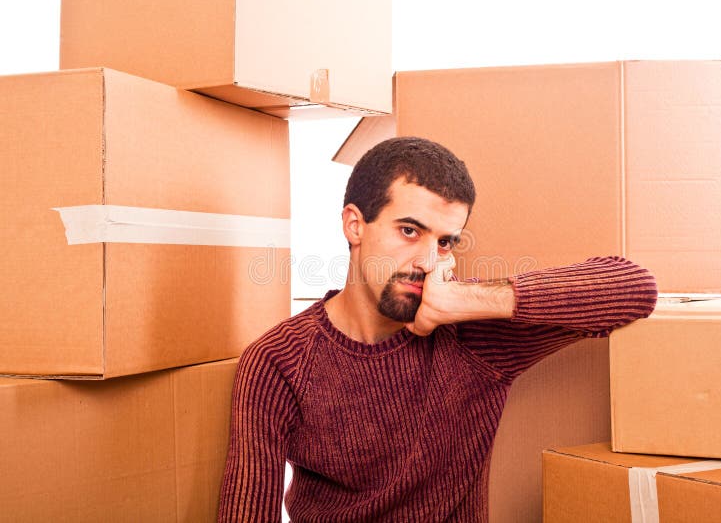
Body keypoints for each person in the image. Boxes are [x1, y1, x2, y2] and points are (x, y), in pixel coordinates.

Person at [218, 136, 658, 522]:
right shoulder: (278, 361)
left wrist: (466, 300)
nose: (429, 262)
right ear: (355, 225)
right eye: (410, 231)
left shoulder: (472, 336)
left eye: (445, 242)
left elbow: (634, 288)